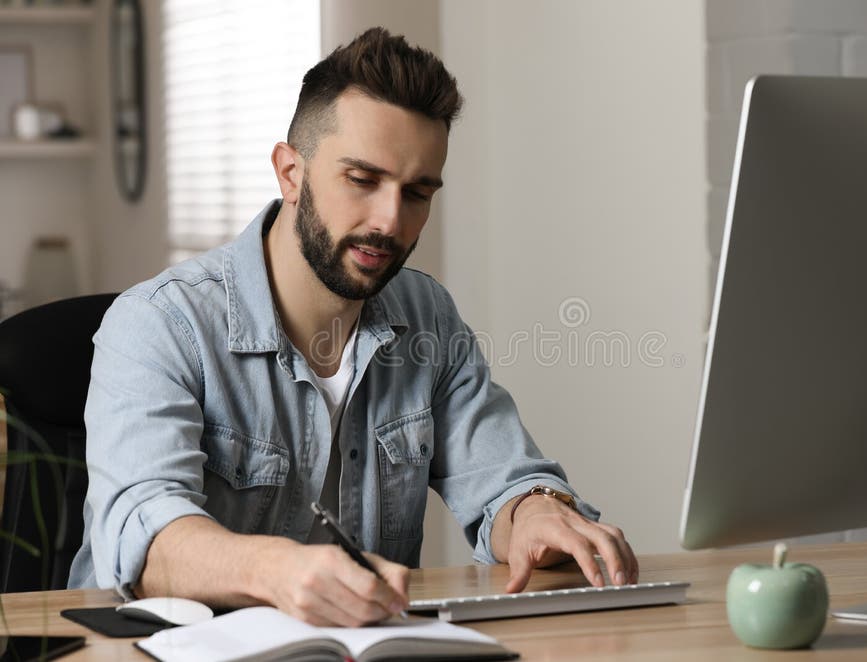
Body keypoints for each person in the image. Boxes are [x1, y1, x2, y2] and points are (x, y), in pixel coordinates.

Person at [68, 27, 636, 626]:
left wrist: (536, 512)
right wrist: (275, 571)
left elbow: (501, 481)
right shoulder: (158, 324)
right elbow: (144, 537)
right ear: (290, 173)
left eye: (417, 192)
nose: (390, 221)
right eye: (362, 180)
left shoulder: (428, 318)